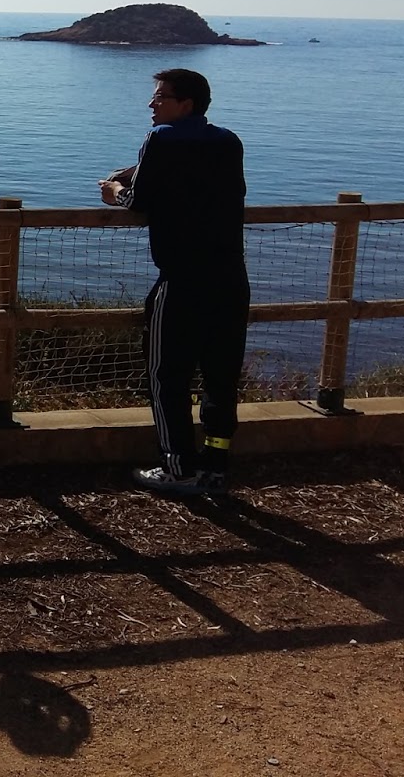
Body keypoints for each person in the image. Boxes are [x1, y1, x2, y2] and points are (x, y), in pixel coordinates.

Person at [99, 68, 249, 495]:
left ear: (185, 104)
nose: (152, 103)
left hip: (183, 280)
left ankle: (178, 467)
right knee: (221, 376)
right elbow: (195, 175)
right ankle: (215, 466)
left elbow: (137, 200)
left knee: (167, 376)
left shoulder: (160, 139)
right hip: (231, 278)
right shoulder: (229, 141)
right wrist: (138, 169)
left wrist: (114, 191)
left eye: (161, 97)